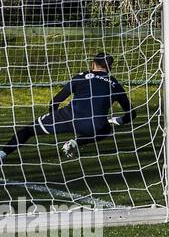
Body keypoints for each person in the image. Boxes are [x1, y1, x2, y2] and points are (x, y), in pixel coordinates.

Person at [0, 52, 133, 164]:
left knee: (28, 130)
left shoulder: (80, 77)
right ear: (110, 68)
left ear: (93, 64)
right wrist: (118, 120)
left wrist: (53, 116)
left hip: (67, 116)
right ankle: (74, 143)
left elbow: (55, 101)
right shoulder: (116, 84)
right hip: (93, 124)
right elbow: (131, 114)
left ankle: (2, 154)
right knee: (106, 129)